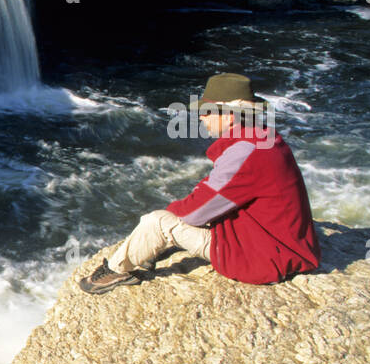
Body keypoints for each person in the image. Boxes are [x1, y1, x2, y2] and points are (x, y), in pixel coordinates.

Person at [79, 73, 321, 294]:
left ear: (229, 115)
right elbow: (225, 189)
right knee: (179, 214)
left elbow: (195, 213)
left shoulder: (246, 152)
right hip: (283, 245)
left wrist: (168, 217)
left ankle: (114, 270)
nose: (202, 116)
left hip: (262, 258)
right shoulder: (262, 138)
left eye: (207, 111)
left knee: (157, 223)